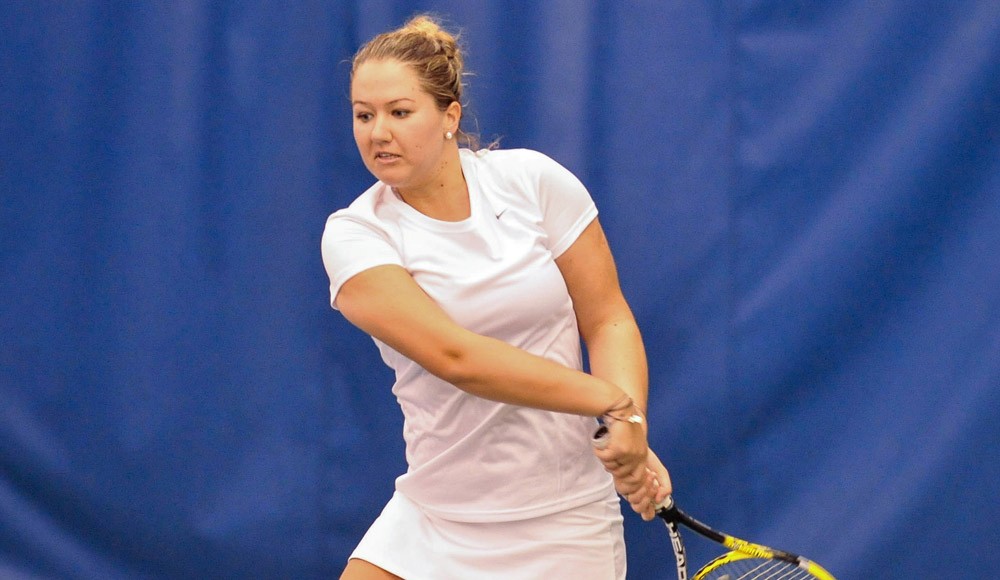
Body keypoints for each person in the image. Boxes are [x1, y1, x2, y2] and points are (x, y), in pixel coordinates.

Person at [322, 14, 672, 580]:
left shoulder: (534, 181)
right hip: (434, 515)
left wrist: (630, 424)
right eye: (364, 115)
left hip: (563, 520)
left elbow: (608, 318)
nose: (377, 132)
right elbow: (456, 357)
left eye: (399, 112)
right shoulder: (355, 234)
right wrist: (612, 402)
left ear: (450, 117)